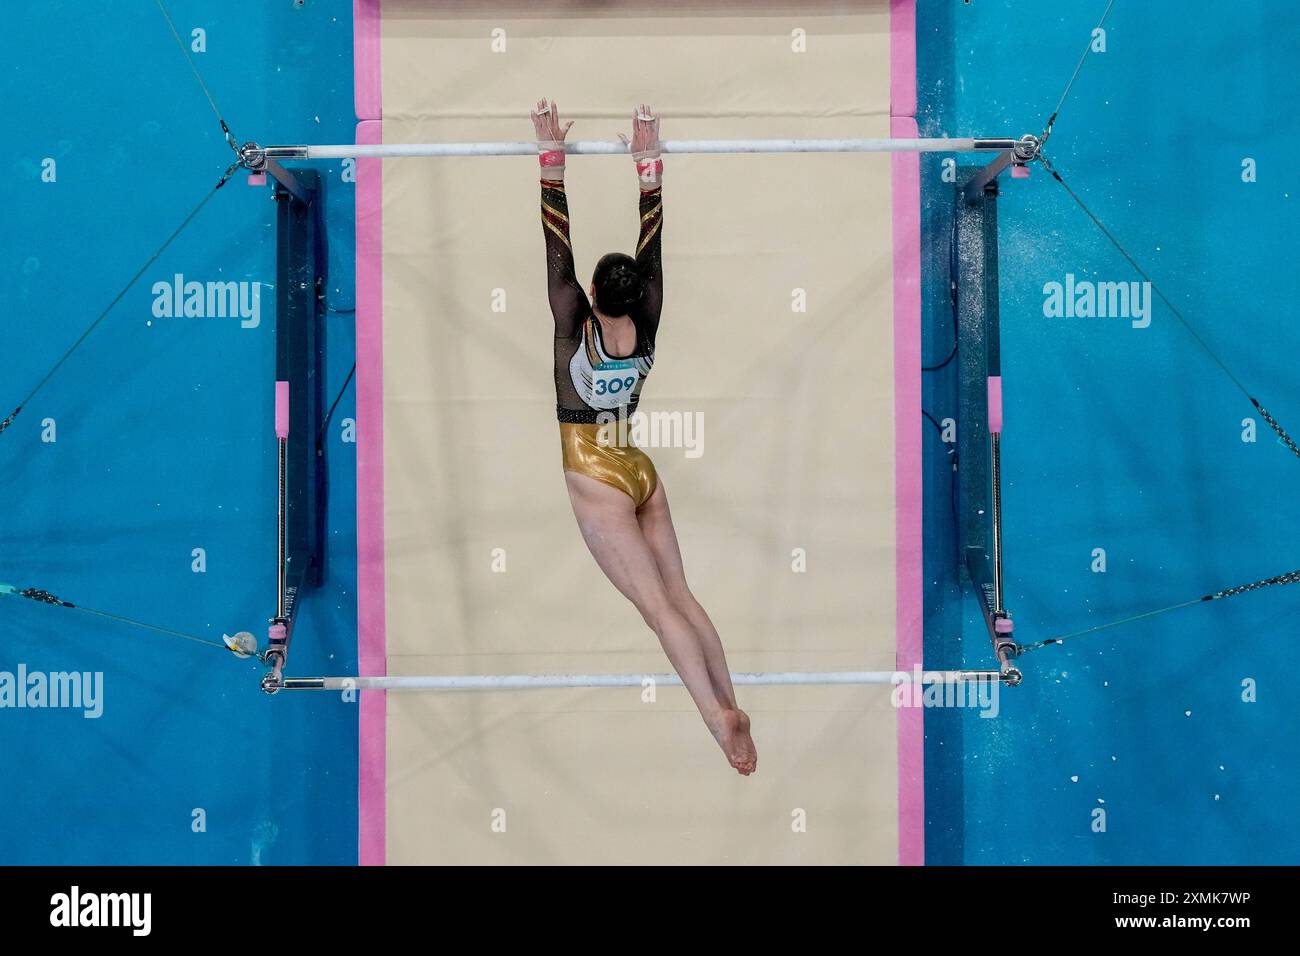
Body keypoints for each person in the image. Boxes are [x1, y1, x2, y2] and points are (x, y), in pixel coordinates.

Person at [532, 99, 757, 775]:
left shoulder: (575, 318)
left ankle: (718, 720)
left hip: (593, 471)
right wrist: (647, 163)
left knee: (659, 611)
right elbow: (652, 240)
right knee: (681, 597)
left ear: (593, 292)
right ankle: (730, 699)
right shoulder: (648, 316)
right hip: (637, 467)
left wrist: (551, 156)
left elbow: (555, 243)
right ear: (632, 293)